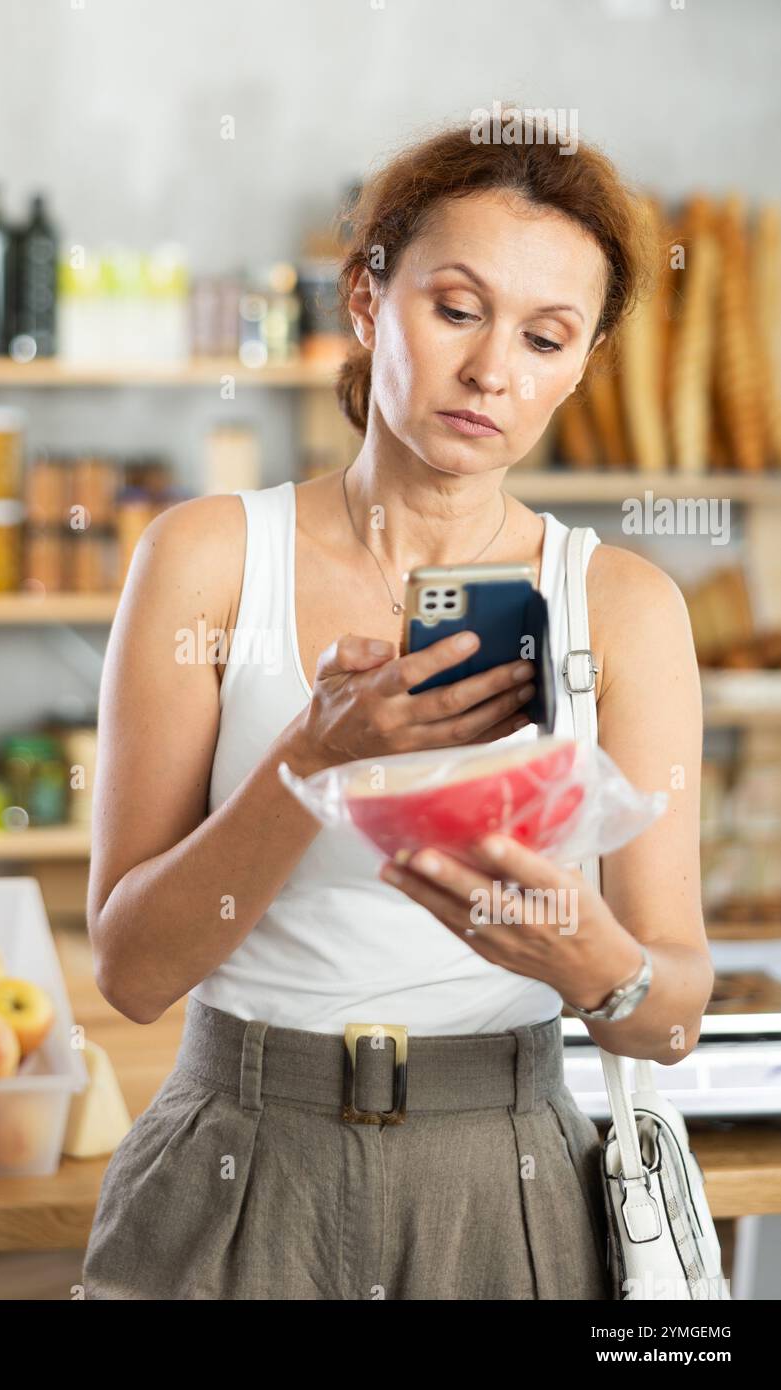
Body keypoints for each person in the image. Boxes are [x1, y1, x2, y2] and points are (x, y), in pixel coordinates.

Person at [81, 120, 713, 1300]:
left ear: (582, 363)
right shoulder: (212, 557)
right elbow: (130, 969)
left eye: (544, 337)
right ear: (367, 299)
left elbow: (671, 1016)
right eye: (456, 308)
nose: (492, 371)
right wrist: (311, 760)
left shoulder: (620, 608)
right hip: (236, 1160)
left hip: (507, 1184)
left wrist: (592, 961)